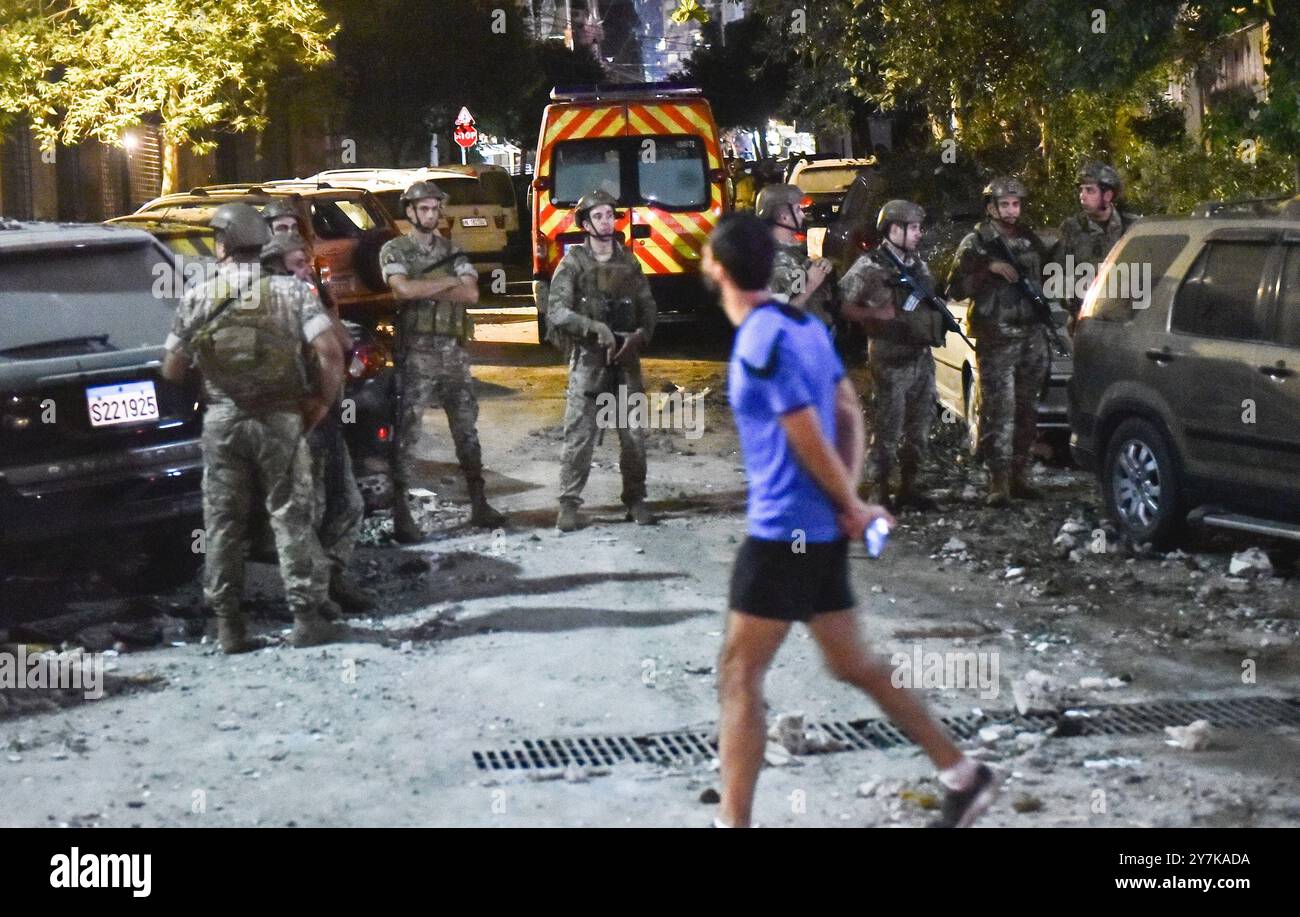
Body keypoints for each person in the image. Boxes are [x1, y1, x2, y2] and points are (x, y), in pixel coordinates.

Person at [705, 213, 998, 829]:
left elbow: (805, 429)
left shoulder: (760, 340)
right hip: (819, 531)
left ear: (717, 268)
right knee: (852, 663)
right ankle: (962, 775)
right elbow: (846, 408)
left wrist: (850, 503)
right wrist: (850, 494)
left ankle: (732, 824)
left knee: (738, 674)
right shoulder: (805, 329)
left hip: (783, 531)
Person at [161, 203, 345, 653]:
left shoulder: (197, 296)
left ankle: (229, 626)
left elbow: (172, 368)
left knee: (223, 523)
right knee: (291, 515)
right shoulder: (291, 293)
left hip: (223, 420)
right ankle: (306, 618)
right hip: (280, 419)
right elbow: (330, 352)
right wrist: (320, 401)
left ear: (222, 244)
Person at [380, 180, 506, 542]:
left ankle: (479, 502)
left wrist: (429, 284)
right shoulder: (395, 248)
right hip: (416, 353)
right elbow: (401, 289)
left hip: (452, 352)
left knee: (466, 428)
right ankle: (402, 515)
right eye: (423, 209)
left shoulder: (453, 249)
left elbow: (471, 293)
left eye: (435, 208)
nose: (430, 215)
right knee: (408, 434)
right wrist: (446, 281)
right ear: (410, 211)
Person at [260, 231, 374, 613]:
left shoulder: (311, 300)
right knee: (306, 509)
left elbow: (341, 345)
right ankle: (313, 596)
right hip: (293, 419)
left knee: (349, 503)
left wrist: (320, 305)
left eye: (306, 262)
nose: (305, 270)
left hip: (325, 416)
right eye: (297, 264)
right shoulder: (261, 305)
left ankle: (333, 577)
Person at [545, 189, 658, 532]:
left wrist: (640, 335)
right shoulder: (573, 263)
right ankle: (568, 503)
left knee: (633, 435)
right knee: (579, 435)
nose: (606, 222)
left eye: (610, 215)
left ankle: (635, 499)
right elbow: (557, 310)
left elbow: (648, 305)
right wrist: (593, 327)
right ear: (586, 223)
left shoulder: (628, 260)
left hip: (625, 360)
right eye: (599, 216)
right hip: (589, 360)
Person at [947, 176, 1050, 507]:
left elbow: (1048, 274)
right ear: (991, 207)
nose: (1011, 210)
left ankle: (1021, 475)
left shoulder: (1030, 240)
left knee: (1027, 408)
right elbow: (954, 287)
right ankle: (998, 480)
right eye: (1004, 204)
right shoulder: (977, 242)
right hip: (996, 336)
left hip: (1030, 334)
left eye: (1016, 204)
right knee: (998, 408)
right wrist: (987, 268)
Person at [838, 200, 944, 511]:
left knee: (920, 425)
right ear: (893, 229)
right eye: (912, 228)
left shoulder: (917, 265)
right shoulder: (870, 266)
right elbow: (842, 304)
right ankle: (880, 489)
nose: (917, 234)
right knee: (888, 426)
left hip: (920, 356)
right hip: (889, 357)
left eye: (918, 228)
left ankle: (909, 485)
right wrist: (874, 314)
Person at [1051, 162, 1139, 333]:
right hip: (1086, 319)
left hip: (1127, 322)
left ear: (1107, 195)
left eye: (1090, 190)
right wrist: (1073, 298)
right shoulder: (1072, 228)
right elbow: (1057, 274)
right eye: (1081, 190)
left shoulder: (1132, 227)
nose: (1082, 196)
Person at [757, 183, 836, 330]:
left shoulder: (797, 250)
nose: (802, 215)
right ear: (784, 217)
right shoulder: (770, 259)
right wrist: (811, 284)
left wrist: (822, 265)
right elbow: (777, 317)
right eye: (798, 209)